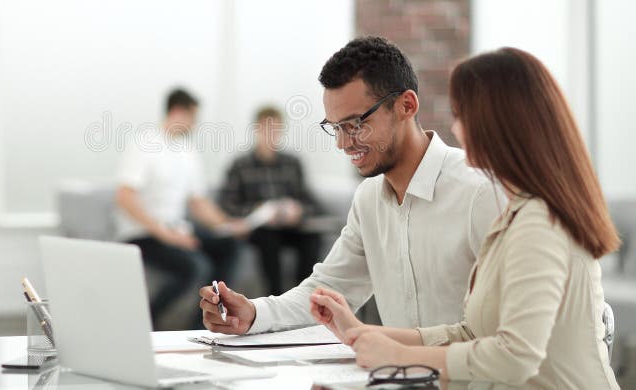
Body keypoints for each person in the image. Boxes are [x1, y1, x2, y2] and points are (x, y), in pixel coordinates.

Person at [309, 48, 620, 388]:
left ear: (501, 124)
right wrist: (363, 333)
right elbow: (471, 333)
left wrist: (398, 356)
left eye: (461, 115)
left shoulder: (538, 221)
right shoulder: (515, 215)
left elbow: (515, 356)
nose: (456, 128)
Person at [199, 36, 504, 334]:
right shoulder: (369, 199)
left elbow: (512, 334)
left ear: (406, 106)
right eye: (335, 128)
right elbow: (328, 289)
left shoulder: (479, 192)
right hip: (395, 376)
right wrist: (252, 313)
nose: (343, 143)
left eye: (356, 124)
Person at [116, 88, 247, 329]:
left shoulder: (187, 152)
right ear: (177, 112)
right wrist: (167, 236)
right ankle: (144, 321)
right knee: (197, 265)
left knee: (229, 247)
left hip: (177, 230)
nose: (195, 125)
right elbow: (124, 197)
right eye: (193, 118)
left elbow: (198, 202)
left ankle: (201, 326)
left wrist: (226, 224)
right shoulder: (144, 145)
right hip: (145, 235)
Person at [219, 106, 324, 296]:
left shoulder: (292, 163)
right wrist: (258, 211)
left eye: (276, 130)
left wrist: (298, 210)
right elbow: (228, 204)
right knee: (268, 238)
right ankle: (275, 295)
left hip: (290, 227)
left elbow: (310, 202)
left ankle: (303, 295)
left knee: (312, 238)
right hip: (261, 231)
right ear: (257, 130)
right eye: (267, 130)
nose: (271, 135)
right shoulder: (240, 165)